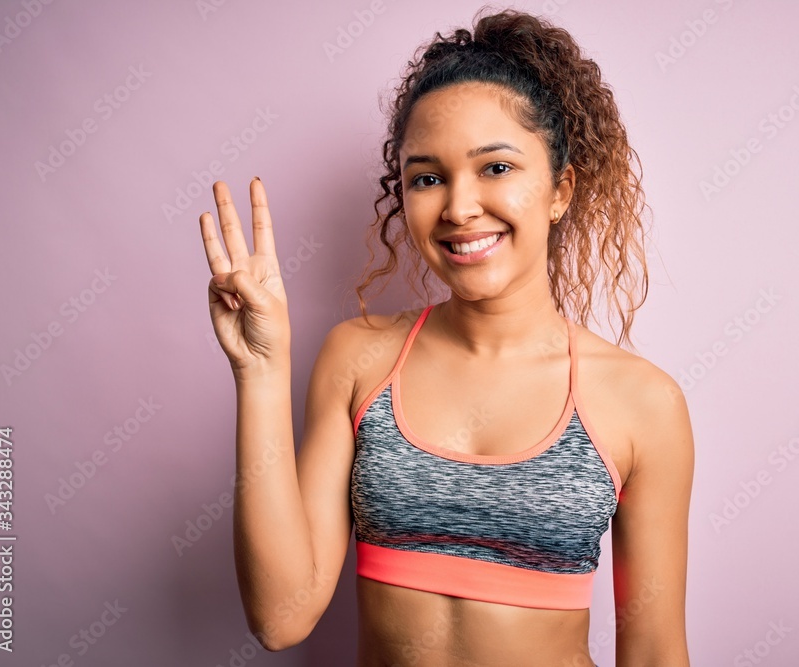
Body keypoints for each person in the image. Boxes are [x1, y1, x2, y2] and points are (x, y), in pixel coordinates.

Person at [198, 8, 694, 666]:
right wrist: (260, 370)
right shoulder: (358, 358)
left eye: (496, 168)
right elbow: (282, 617)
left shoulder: (643, 402)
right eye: (427, 177)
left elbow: (656, 650)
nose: (459, 207)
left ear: (559, 189)